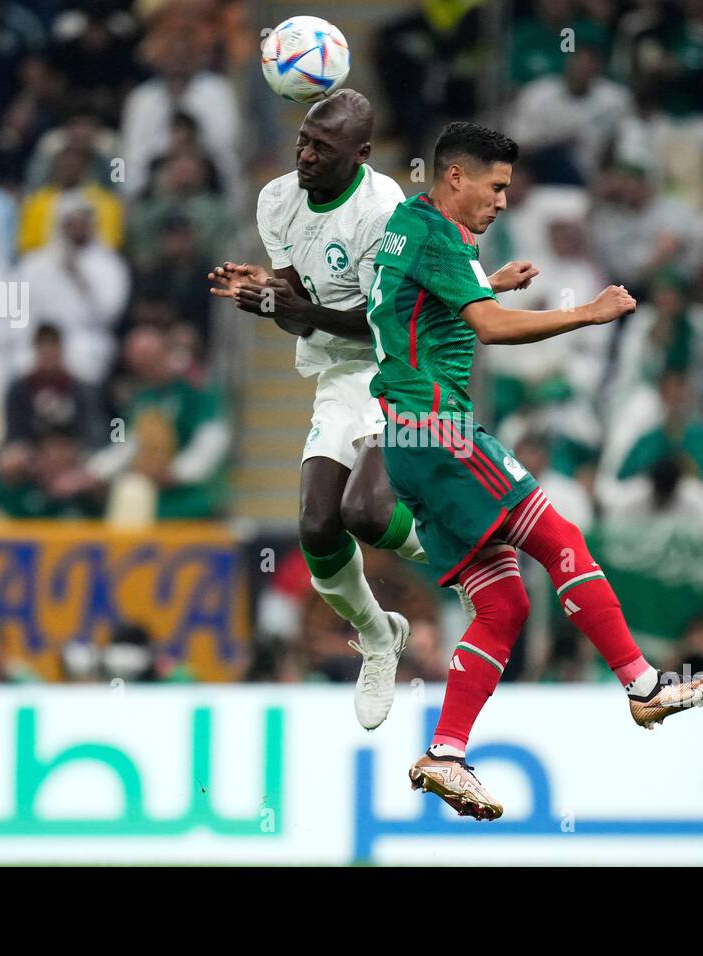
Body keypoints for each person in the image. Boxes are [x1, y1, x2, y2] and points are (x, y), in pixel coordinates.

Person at [365, 121, 703, 819]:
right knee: (560, 535)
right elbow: (493, 329)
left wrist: (486, 281)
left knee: (504, 605)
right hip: (442, 428)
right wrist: (586, 313)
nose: (502, 202)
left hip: (405, 446)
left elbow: (402, 302)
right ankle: (642, 685)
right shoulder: (441, 236)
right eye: (495, 187)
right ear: (455, 178)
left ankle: (445, 753)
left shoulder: (406, 227)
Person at [208, 91, 441, 731]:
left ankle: (465, 547)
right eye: (304, 141)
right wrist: (264, 299)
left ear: (361, 155)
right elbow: (297, 305)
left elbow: (382, 323)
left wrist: (296, 311)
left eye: (323, 149)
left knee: (365, 510)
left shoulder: (382, 209)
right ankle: (377, 636)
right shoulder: (277, 200)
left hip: (398, 365)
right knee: (316, 527)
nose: (306, 156)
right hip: (339, 373)